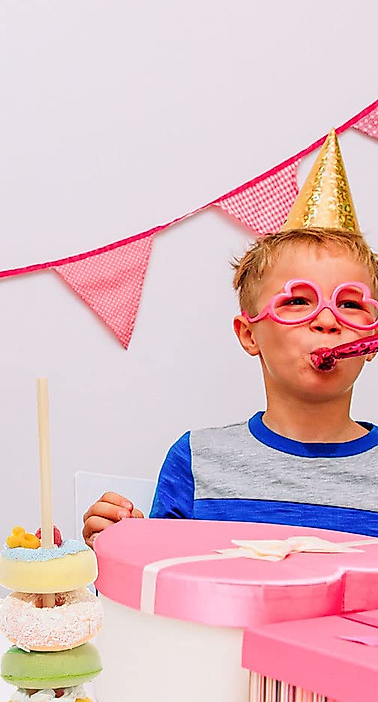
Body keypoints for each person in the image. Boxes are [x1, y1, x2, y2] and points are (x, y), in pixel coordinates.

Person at [83, 226, 378, 544]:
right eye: (297, 301)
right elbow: (160, 570)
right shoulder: (196, 459)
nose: (328, 321)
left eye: (351, 305)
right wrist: (123, 543)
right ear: (249, 335)